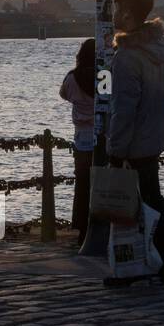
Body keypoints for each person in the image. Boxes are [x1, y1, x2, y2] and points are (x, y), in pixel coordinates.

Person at [107, 0, 164, 284]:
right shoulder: (157, 52)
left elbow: (124, 109)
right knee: (153, 200)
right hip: (153, 138)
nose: (114, 14)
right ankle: (161, 260)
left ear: (129, 13)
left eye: (118, 8)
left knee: (129, 209)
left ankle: (134, 266)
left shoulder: (127, 57)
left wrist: (115, 150)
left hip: (133, 145)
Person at [60, 38, 97, 245]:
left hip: (81, 137)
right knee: (101, 181)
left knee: (82, 183)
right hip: (102, 136)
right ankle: (102, 223)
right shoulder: (104, 76)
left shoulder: (72, 78)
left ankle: (82, 228)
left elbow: (63, 94)